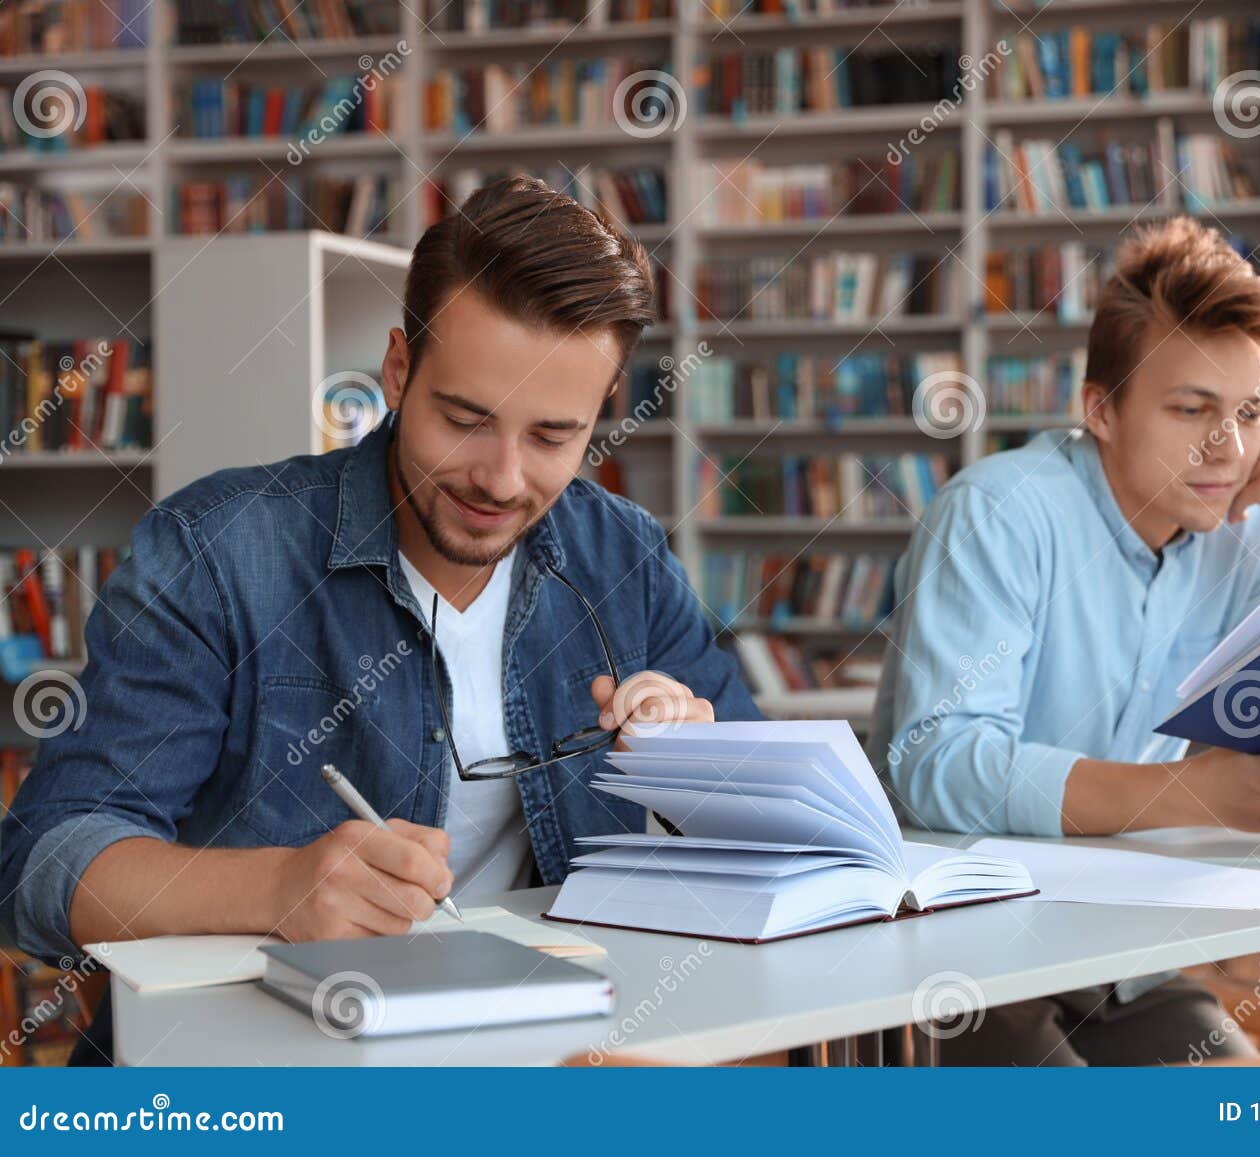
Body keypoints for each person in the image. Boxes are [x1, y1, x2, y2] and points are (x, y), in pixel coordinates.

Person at [0, 175, 759, 1061]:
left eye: (553, 436)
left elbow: (773, 830)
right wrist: (278, 886)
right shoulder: (220, 551)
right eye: (465, 419)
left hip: (525, 1052)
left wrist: (696, 767)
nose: (503, 478)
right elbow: (42, 863)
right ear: (398, 370)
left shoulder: (619, 554)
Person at [866, 216, 1260, 1065]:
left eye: (1252, 412)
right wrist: (1194, 793)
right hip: (961, 945)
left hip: (1120, 949)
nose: (1229, 448)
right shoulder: (1000, 514)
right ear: (1100, 411)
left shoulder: (1252, 535)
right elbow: (938, 761)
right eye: (1193, 410)